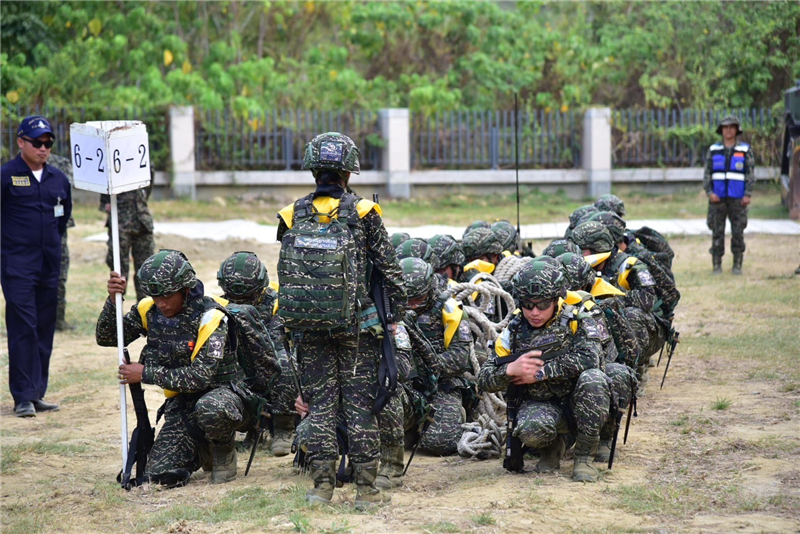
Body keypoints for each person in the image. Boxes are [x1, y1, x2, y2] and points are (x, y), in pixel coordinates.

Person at [276, 132, 405, 508]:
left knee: (321, 409)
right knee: (359, 407)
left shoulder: (291, 214)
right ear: (349, 172)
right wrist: (393, 317)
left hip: (308, 328)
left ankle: (321, 488)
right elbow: (392, 272)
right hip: (358, 329)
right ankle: (366, 491)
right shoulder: (364, 213)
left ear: (313, 169)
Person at [97, 250, 273, 486]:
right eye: (155, 296)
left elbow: (200, 378)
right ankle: (202, 449)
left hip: (229, 400)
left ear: (186, 289)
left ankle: (223, 450)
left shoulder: (212, 317)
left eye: (167, 296)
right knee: (158, 476)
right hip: (185, 406)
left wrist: (145, 373)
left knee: (211, 407)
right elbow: (108, 337)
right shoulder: (151, 311)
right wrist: (112, 299)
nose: (161, 303)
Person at [477, 257, 611, 482]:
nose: (535, 312)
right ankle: (552, 446)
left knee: (594, 380)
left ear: (557, 299)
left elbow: (591, 359)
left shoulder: (578, 319)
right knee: (531, 429)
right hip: (543, 405)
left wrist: (540, 372)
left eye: (542, 305)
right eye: (528, 304)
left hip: (579, 402)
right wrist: (510, 370)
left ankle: (584, 458)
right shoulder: (514, 330)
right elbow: (484, 378)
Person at [2, 116, 71, 417]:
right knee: (23, 327)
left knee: (44, 326)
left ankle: (37, 392)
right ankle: (22, 397)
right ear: (21, 142)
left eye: (48, 143)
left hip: (48, 265)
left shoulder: (58, 179)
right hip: (17, 265)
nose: (43, 148)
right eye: (37, 143)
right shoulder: (7, 175)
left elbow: (63, 217)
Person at [216, 251, 295, 457]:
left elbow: (280, 347)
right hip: (243, 374)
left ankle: (283, 428)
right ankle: (249, 428)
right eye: (234, 297)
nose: (241, 302)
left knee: (284, 365)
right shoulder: (220, 307)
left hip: (275, 374)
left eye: (248, 297)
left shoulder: (279, 304)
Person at [400, 257, 474, 456]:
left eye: (417, 299)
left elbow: (461, 356)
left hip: (440, 385)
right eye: (407, 300)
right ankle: (412, 426)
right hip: (403, 386)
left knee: (441, 443)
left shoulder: (447, 308)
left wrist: (429, 364)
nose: (412, 306)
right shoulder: (389, 308)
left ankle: (455, 414)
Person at [703, 115, 755, 275]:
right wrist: (709, 193)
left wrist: (747, 194)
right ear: (721, 130)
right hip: (717, 199)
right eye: (725, 127)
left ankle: (737, 265)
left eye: (731, 127)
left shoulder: (745, 150)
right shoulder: (713, 150)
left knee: (738, 232)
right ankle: (716, 265)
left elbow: (750, 174)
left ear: (736, 130)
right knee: (717, 232)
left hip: (738, 199)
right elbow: (707, 174)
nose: (728, 130)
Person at [100, 179, 156, 301]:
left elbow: (148, 184)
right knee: (119, 270)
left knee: (146, 268)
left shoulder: (143, 161)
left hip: (142, 221)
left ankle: (144, 310)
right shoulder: (111, 161)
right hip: (119, 220)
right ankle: (117, 312)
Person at [47, 154, 77, 332]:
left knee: (60, 271)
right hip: (34, 227)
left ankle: (58, 319)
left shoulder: (62, 163)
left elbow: (67, 193)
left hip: (58, 226)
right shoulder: (22, 165)